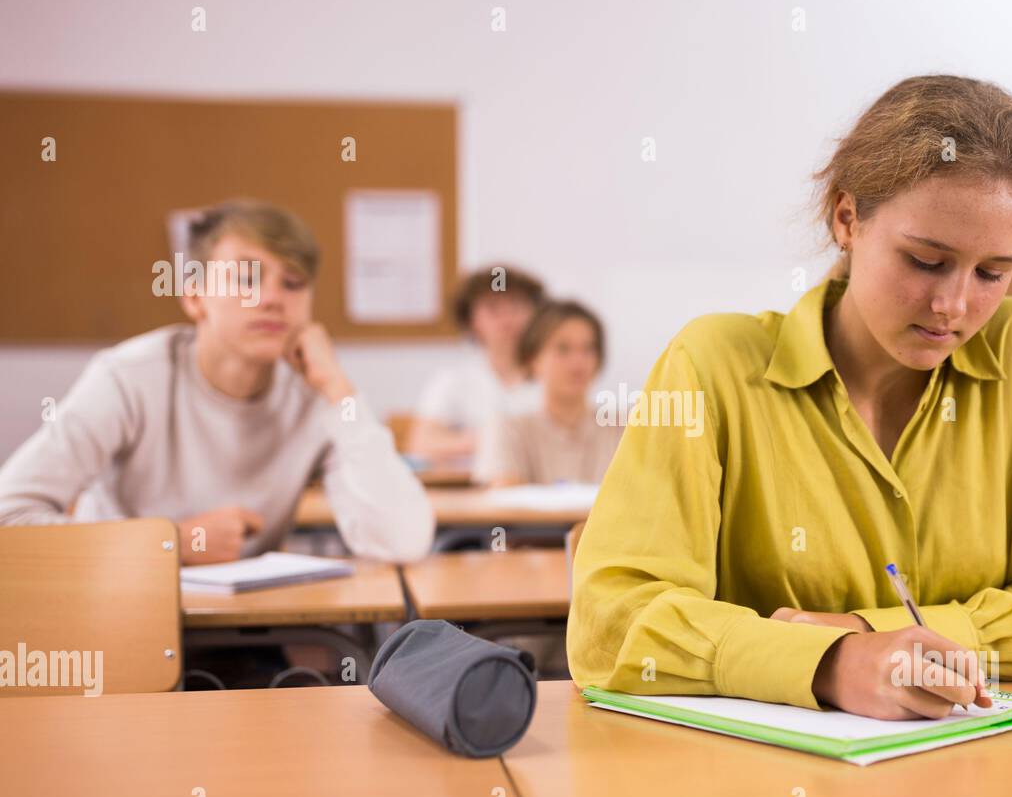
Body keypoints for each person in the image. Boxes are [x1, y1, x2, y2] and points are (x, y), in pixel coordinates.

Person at [568, 75, 1012, 720]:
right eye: (926, 261)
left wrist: (863, 632)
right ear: (847, 219)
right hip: (765, 788)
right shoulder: (711, 366)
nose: (952, 306)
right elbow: (611, 626)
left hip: (979, 773)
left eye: (992, 273)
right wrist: (830, 665)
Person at [0, 199, 433, 565]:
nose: (271, 298)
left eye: (293, 283)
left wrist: (339, 389)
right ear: (194, 297)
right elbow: (9, 517)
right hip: (121, 616)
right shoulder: (127, 378)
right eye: (246, 278)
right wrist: (170, 543)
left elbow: (404, 541)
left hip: (247, 632)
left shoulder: (316, 392)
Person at [475, 300, 623, 486]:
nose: (578, 362)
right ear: (533, 360)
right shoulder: (509, 428)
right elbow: (503, 493)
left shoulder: (623, 427)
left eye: (588, 349)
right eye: (563, 349)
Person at [406, 265, 545, 463]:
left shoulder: (556, 374)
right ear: (471, 320)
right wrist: (493, 440)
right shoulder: (453, 380)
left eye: (516, 306)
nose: (506, 319)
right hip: (471, 488)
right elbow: (421, 444)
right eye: (493, 308)